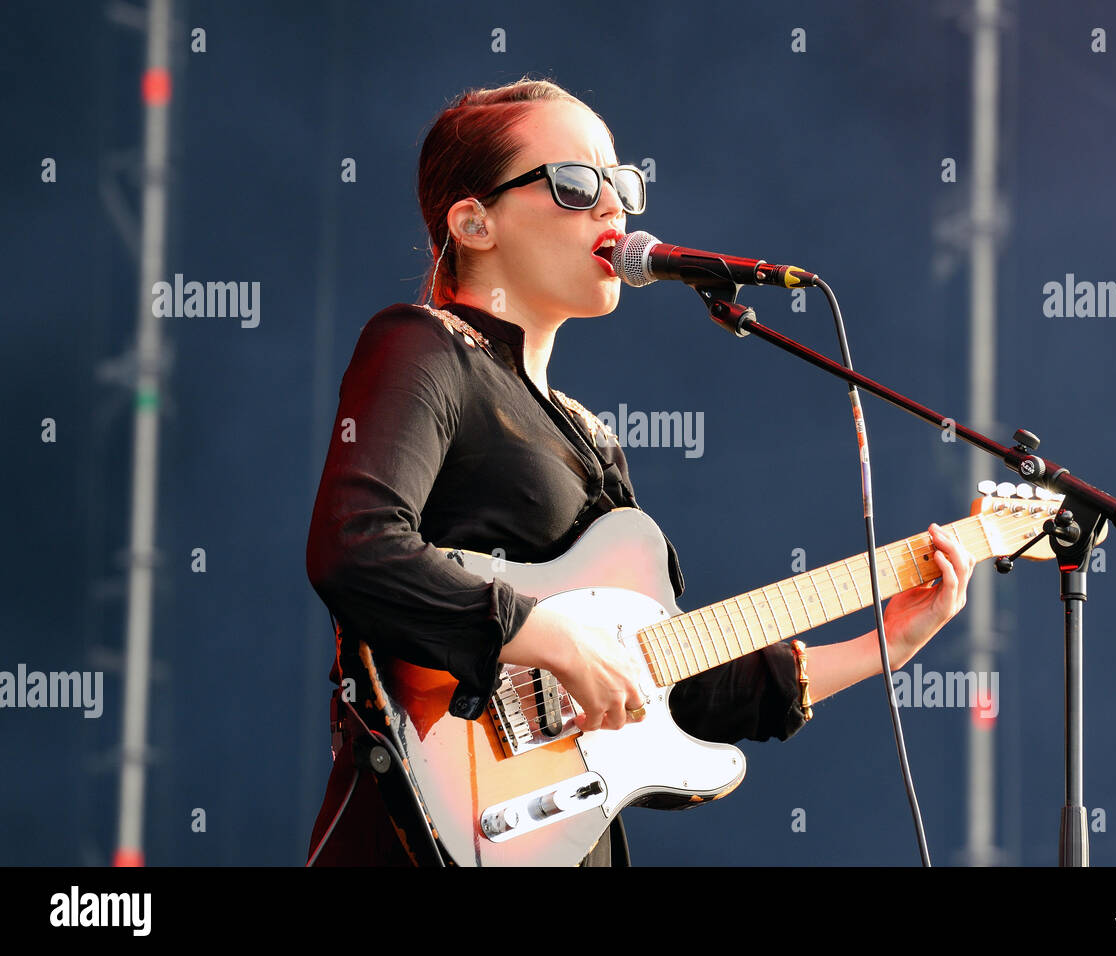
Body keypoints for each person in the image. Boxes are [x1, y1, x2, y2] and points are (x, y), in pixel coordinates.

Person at [303, 77, 975, 866]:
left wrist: (884, 645)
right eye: (576, 183)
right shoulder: (424, 345)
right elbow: (355, 546)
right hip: (424, 822)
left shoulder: (592, 438)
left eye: (622, 184)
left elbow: (664, 678)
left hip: (557, 833)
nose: (613, 208)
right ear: (473, 220)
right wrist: (543, 633)